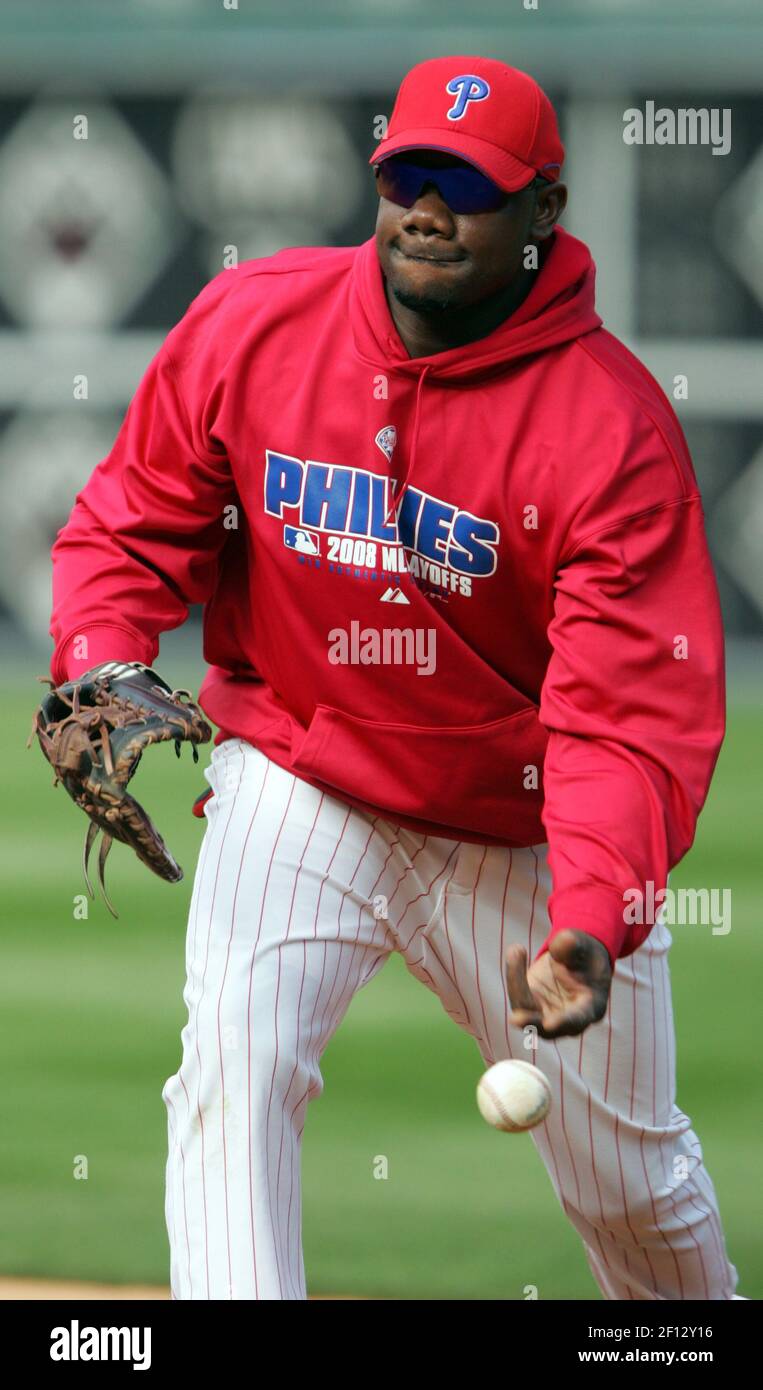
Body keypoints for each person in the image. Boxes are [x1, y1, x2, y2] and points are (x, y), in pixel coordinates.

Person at [48, 55, 741, 1300]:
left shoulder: (610, 432)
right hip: (305, 774)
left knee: (625, 1183)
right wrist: (100, 660)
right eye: (407, 176)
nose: (428, 208)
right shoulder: (253, 323)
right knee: (233, 1071)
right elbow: (128, 527)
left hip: (522, 832)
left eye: (469, 187)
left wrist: (589, 915)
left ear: (543, 213)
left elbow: (622, 722)